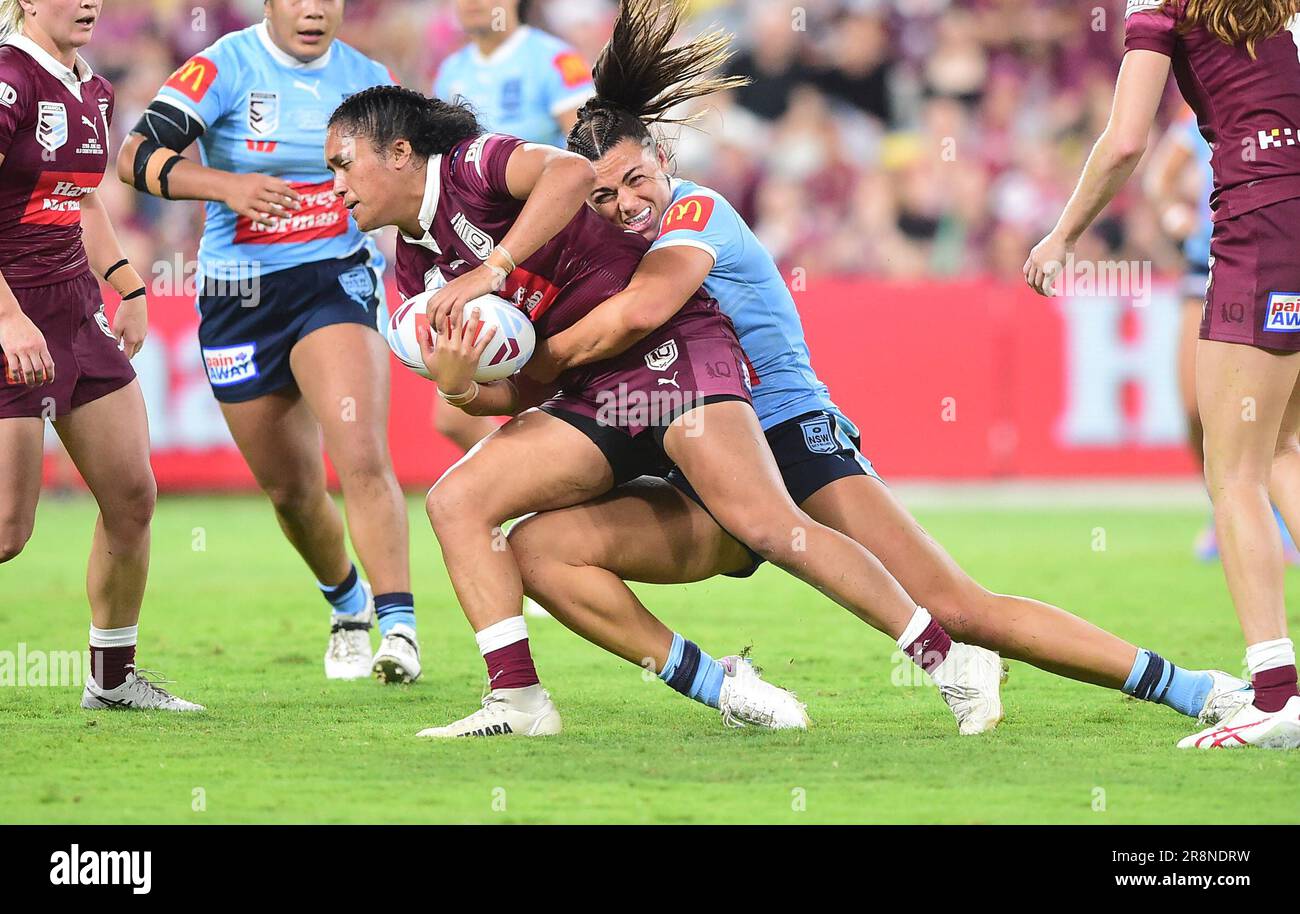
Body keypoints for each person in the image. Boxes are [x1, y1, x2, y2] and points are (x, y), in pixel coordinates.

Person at [487, 0, 1251, 733]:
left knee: (958, 607)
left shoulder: (696, 210)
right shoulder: (600, 251)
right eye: (601, 196)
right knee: (541, 549)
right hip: (699, 462)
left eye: (634, 180)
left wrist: (531, 351)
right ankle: (723, 684)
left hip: (787, 431)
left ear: (664, 157)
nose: (624, 204)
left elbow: (639, 315)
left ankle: (1194, 690)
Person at [325, 79, 1004, 740]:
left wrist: (493, 267)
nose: (336, 185)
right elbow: (522, 388)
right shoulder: (414, 274)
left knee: (767, 524)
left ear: (399, 153)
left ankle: (949, 659)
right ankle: (544, 696)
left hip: (671, 348)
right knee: (458, 502)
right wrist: (458, 387)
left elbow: (566, 173)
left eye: (341, 162)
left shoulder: (474, 166)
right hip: (592, 385)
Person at [116, 0, 421, 684]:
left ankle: (399, 627)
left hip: (331, 278)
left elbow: (415, 178)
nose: (313, 11)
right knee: (292, 492)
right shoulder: (223, 66)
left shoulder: (370, 80)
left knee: (362, 454)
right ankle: (347, 604)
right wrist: (227, 186)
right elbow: (137, 158)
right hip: (239, 298)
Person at [1025, 0, 1300, 748]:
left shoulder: (1164, 5)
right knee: (1279, 451)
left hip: (1262, 223)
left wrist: (1061, 236)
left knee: (1234, 468)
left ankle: (1276, 695)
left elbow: (1123, 142)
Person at [0, 0, 200, 711]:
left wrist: (129, 286)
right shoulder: (8, 78)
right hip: (11, 318)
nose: (89, 2)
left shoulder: (94, 89)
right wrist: (7, 317)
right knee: (7, 529)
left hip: (77, 316)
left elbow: (83, 202)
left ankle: (112, 683)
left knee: (132, 497)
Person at [429, 0, 596, 454]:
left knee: (560, 386)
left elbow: (589, 148)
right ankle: (543, 485)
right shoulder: (451, 70)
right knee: (455, 411)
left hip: (550, 249)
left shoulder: (554, 60)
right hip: (479, 249)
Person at [1145, 106, 1300, 564]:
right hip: (1207, 265)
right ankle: (1226, 509)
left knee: (1276, 423)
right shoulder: (1201, 105)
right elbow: (1159, 178)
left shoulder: (1276, 96)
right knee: (1196, 406)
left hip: (1270, 263)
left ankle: (1265, 509)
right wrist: (1175, 215)